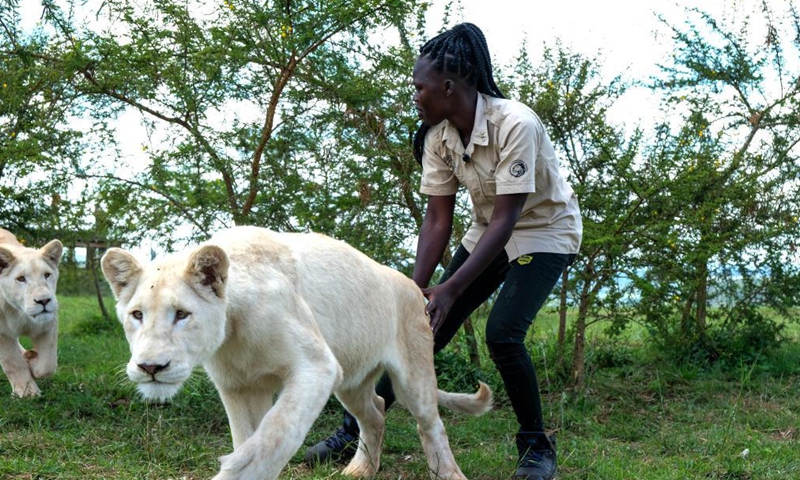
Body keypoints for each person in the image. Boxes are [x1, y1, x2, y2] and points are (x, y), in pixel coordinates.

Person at [305, 22, 582, 480]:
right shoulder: (439, 137)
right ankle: (354, 428)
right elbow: (437, 221)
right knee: (416, 329)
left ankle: (536, 447)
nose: (415, 95)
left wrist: (451, 288)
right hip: (485, 231)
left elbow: (508, 218)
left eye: (420, 86)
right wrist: (410, 294)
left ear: (449, 86)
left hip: (544, 232)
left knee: (503, 332)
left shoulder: (516, 123)